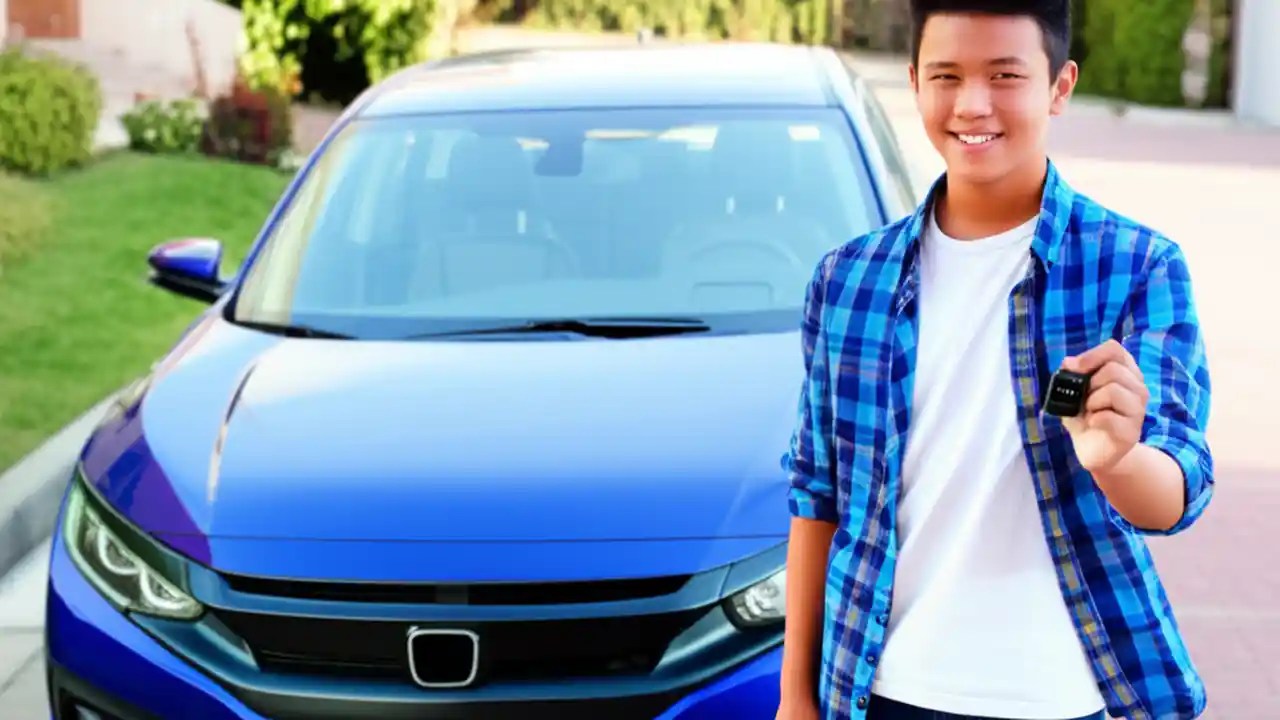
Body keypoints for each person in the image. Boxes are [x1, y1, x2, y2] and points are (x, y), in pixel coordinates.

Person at [775, 1, 1214, 719]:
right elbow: (816, 497)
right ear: (914, 82)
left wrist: (1116, 461)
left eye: (1005, 75)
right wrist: (796, 698)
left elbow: (1177, 491)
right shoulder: (849, 279)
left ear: (1059, 87)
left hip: (1063, 696)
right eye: (947, 75)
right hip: (881, 689)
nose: (973, 104)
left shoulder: (1135, 266)